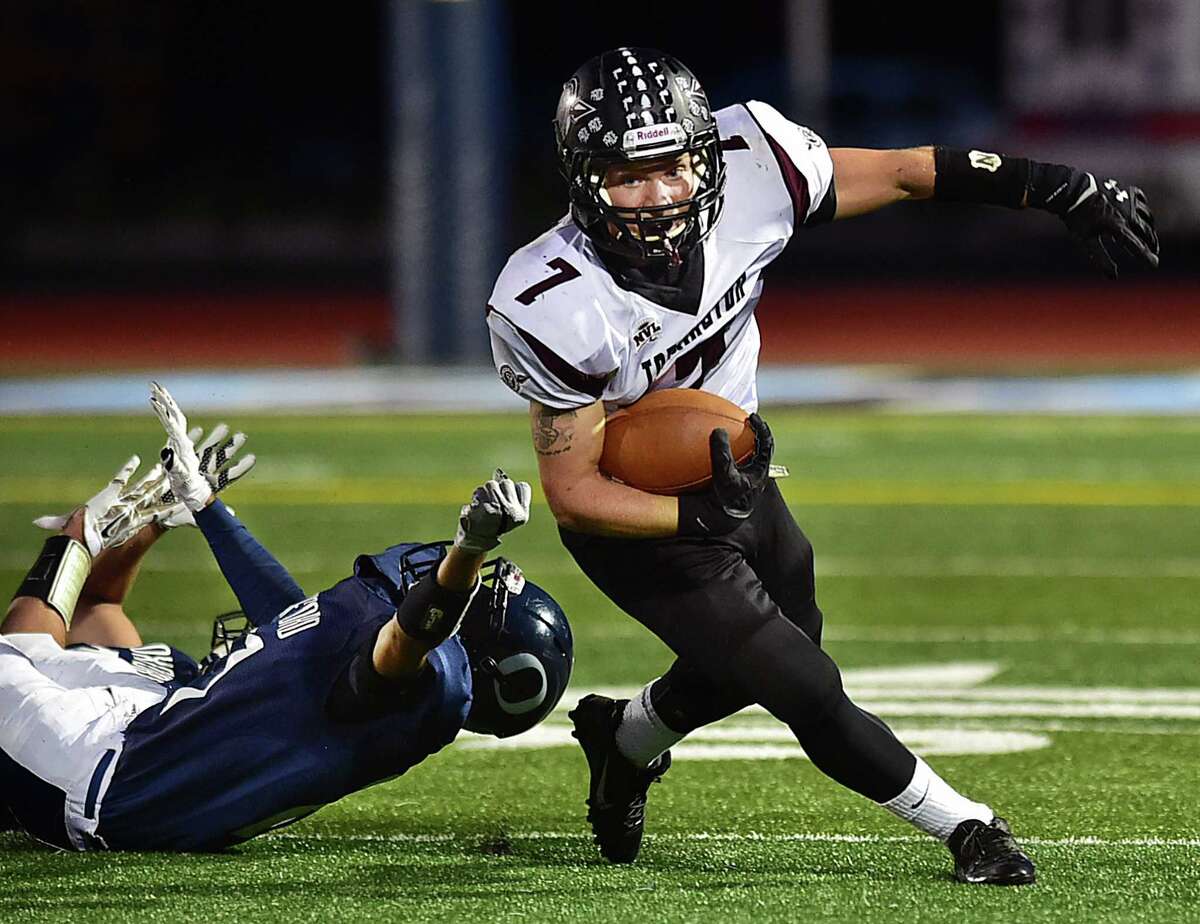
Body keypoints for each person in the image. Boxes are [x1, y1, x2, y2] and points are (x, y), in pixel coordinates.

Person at [486, 47, 1159, 885]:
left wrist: (1060, 187)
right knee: (803, 684)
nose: (658, 195)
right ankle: (968, 828)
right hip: (638, 517)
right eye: (629, 174)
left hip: (736, 471)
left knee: (777, 647)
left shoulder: (755, 164)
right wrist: (694, 519)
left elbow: (911, 174)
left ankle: (624, 739)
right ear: (583, 177)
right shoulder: (553, 297)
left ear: (705, 152)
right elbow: (575, 492)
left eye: (671, 166)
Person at [0, 383, 573, 852]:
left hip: (107, 780)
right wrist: (199, 505)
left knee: (11, 660)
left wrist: (77, 541)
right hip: (149, 742)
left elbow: (413, 635)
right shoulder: (368, 684)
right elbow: (287, 618)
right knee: (153, 664)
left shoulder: (425, 684)